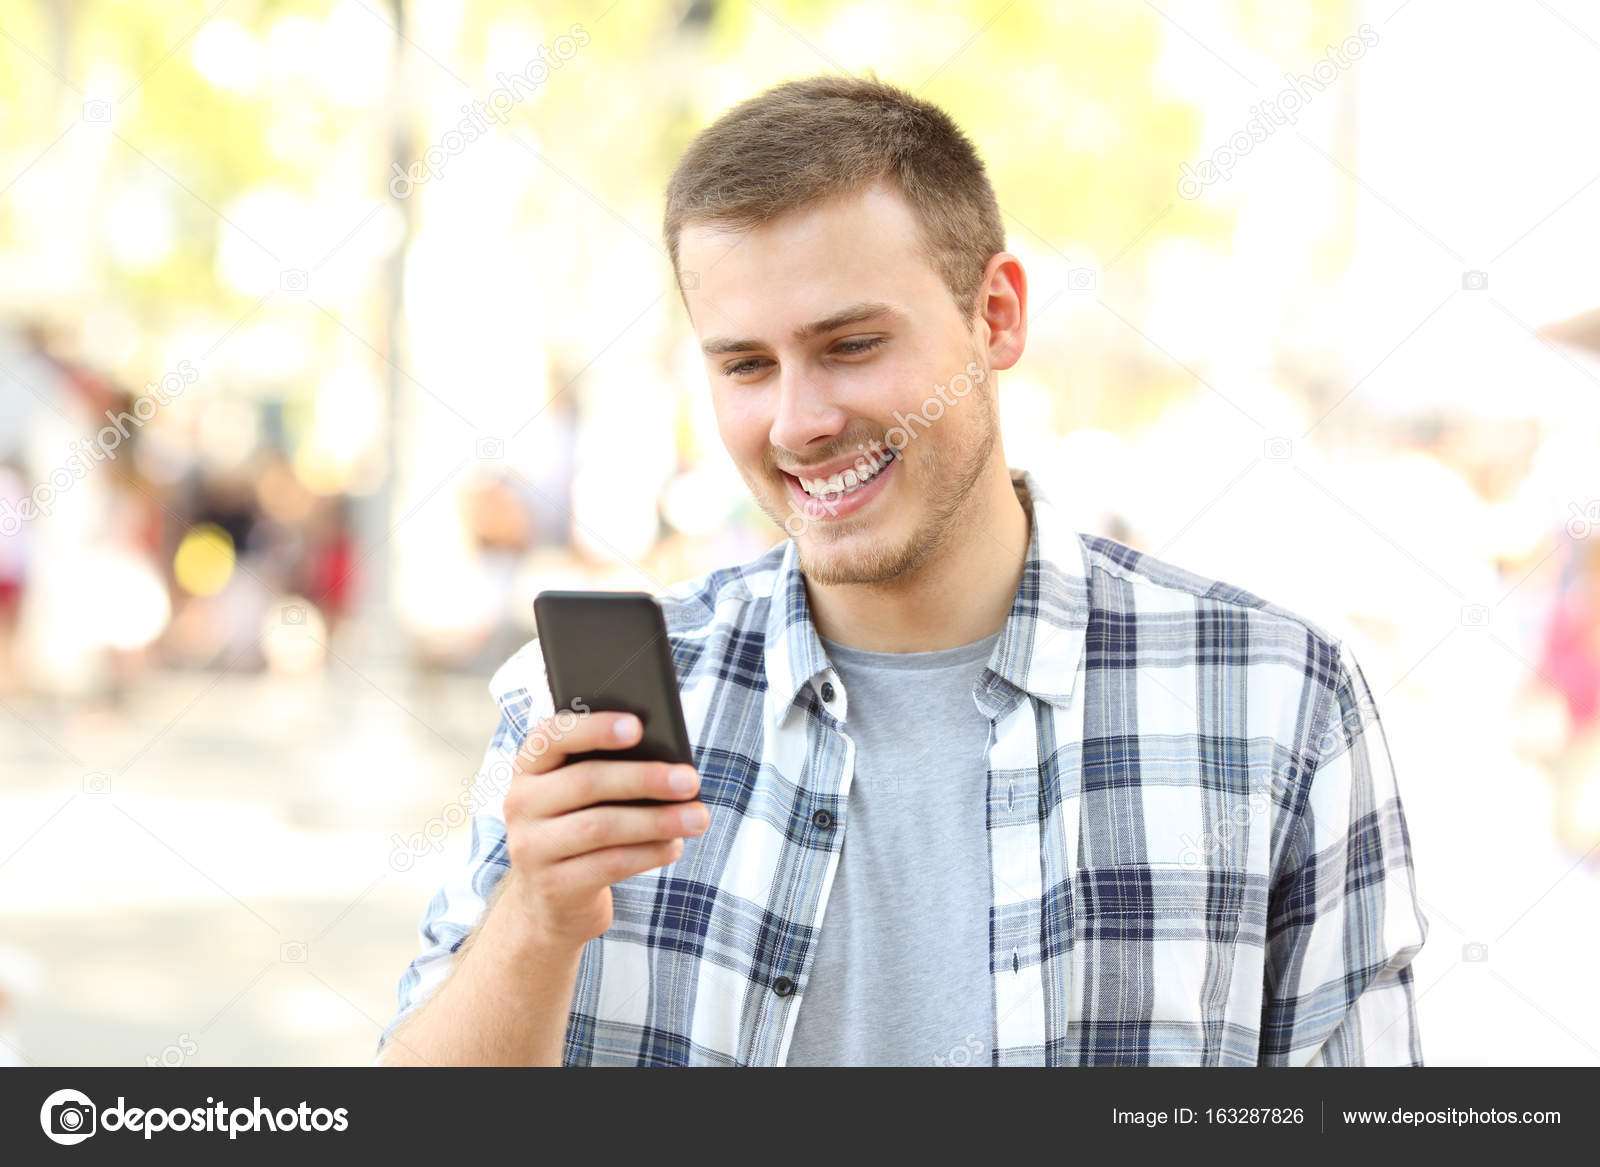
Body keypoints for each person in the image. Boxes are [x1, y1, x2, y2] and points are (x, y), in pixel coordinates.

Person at [377, 73, 1426, 1067]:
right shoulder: (579, 715)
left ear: (997, 316)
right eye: (745, 364)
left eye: (850, 345)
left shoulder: (1274, 702)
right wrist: (538, 920)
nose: (796, 422)